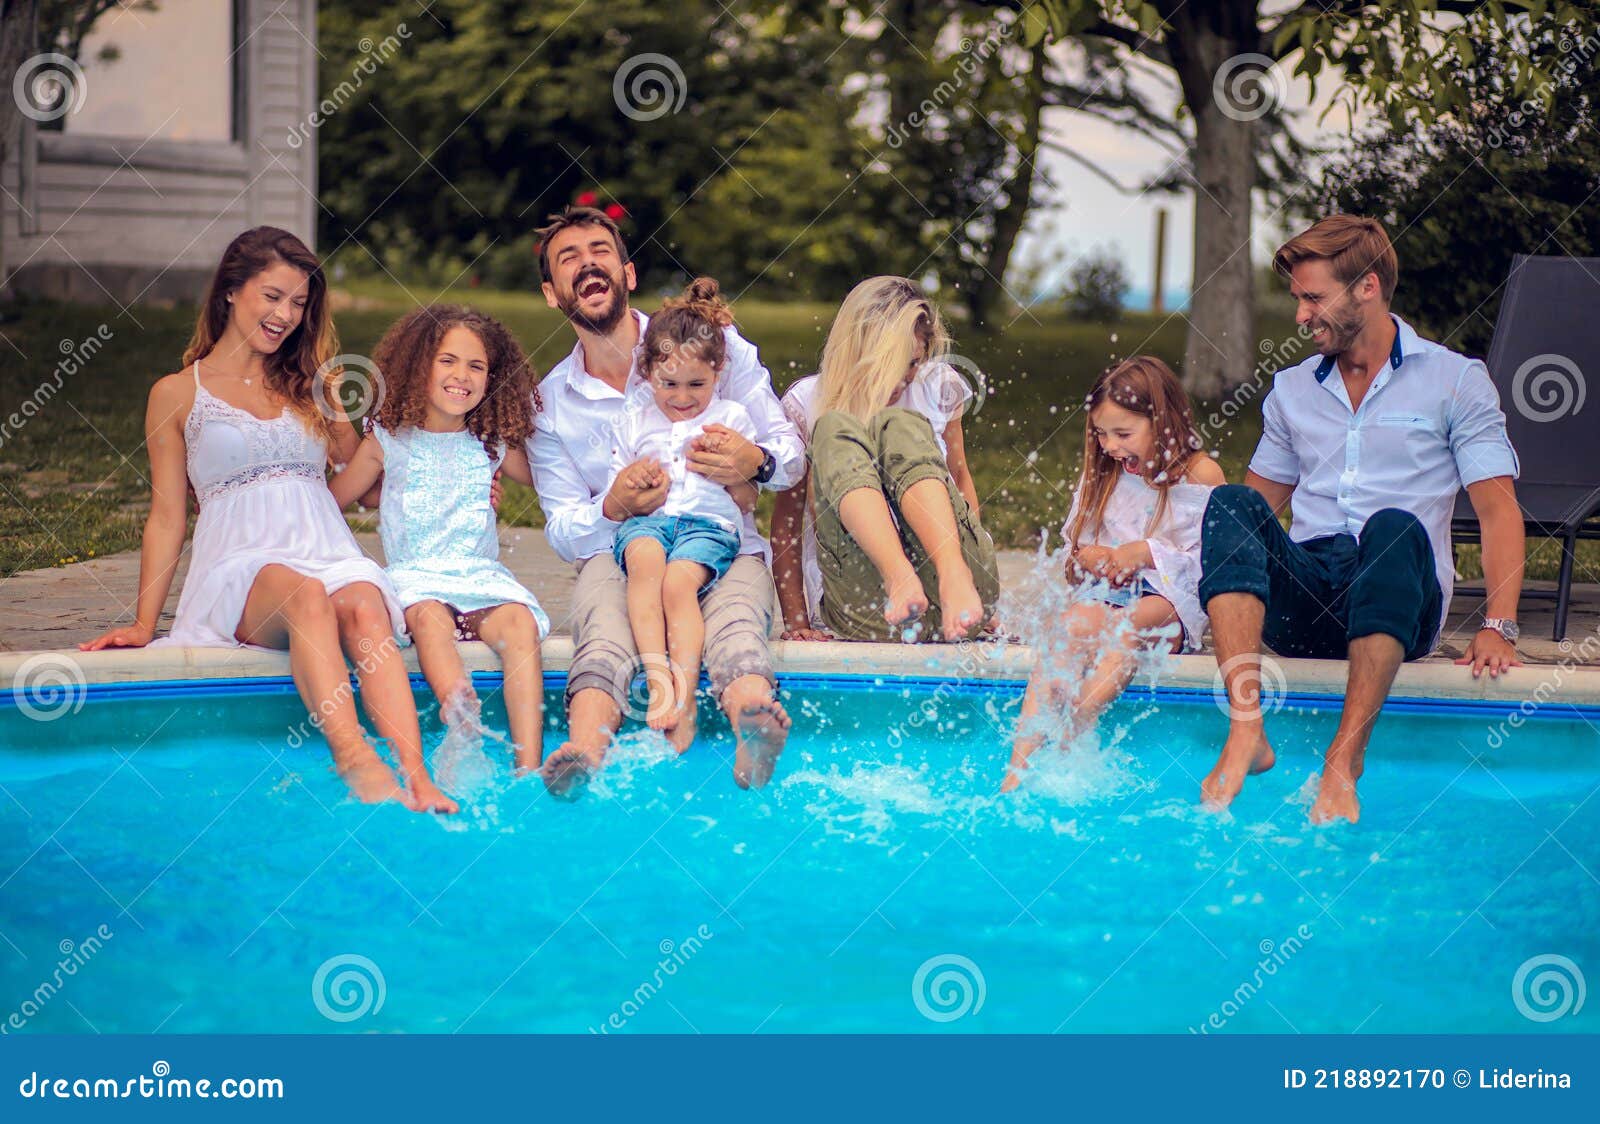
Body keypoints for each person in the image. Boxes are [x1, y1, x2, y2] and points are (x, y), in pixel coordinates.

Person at [79, 226, 456, 813]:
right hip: (241, 568)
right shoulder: (178, 393)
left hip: (324, 549)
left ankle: (416, 773)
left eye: (299, 303)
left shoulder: (314, 383)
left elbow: (363, 483)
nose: (286, 314)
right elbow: (166, 516)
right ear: (232, 290)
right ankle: (355, 759)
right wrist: (142, 622)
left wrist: (438, 467)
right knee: (306, 597)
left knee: (360, 599)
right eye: (273, 296)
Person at [1199, 215, 1524, 824]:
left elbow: (1497, 510)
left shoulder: (1455, 381)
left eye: (1314, 298)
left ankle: (1344, 762)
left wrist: (1498, 626)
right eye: (1298, 298)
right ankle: (1247, 731)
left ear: (1368, 288)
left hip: (1401, 597)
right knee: (1229, 501)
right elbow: (1255, 513)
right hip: (1311, 592)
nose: (1300, 315)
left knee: (1394, 525)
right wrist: (1205, 614)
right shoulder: (1291, 390)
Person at [527, 206, 804, 795]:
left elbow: (790, 454)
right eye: (568, 258)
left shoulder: (711, 348)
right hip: (622, 548)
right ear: (552, 294)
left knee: (735, 627)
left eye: (600, 250)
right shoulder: (550, 403)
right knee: (603, 626)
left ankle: (753, 724)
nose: (587, 264)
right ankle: (584, 749)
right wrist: (613, 505)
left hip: (723, 540)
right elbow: (560, 529)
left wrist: (754, 462)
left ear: (627, 274)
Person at [329, 305, 549, 774]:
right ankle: (460, 714)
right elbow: (335, 499)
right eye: (447, 360)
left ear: (493, 378)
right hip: (417, 579)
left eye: (477, 366)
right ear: (416, 365)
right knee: (429, 621)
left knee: (519, 625)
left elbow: (549, 481)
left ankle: (529, 762)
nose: (461, 376)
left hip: (479, 576)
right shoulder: (389, 439)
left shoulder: (490, 441)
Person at [1003, 356, 1224, 792]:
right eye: (1101, 434)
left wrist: (1145, 553)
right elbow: (1073, 552)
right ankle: (1018, 767)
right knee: (1068, 627)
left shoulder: (1199, 475)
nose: (1110, 446)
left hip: (1168, 603)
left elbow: (1210, 566)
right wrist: (1089, 558)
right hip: (1111, 595)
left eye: (1123, 434)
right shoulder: (1102, 474)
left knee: (1127, 628)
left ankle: (1074, 728)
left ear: (1163, 421)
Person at [772, 283, 979, 641]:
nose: (902, 380)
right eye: (891, 365)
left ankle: (953, 576)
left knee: (900, 426)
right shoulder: (808, 401)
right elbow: (787, 525)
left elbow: (960, 483)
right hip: (865, 606)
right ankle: (897, 575)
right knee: (835, 429)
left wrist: (975, 582)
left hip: (947, 601)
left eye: (913, 363)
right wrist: (796, 622)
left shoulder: (938, 387)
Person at [609, 279, 760, 737]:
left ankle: (685, 688)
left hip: (708, 525)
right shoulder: (634, 420)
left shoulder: (731, 418)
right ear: (647, 373)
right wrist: (633, 481)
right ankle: (658, 678)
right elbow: (617, 495)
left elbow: (749, 499)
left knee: (677, 585)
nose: (681, 396)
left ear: (718, 372)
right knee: (644, 565)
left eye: (697, 383)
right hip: (650, 523)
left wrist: (730, 472)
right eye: (668, 383)